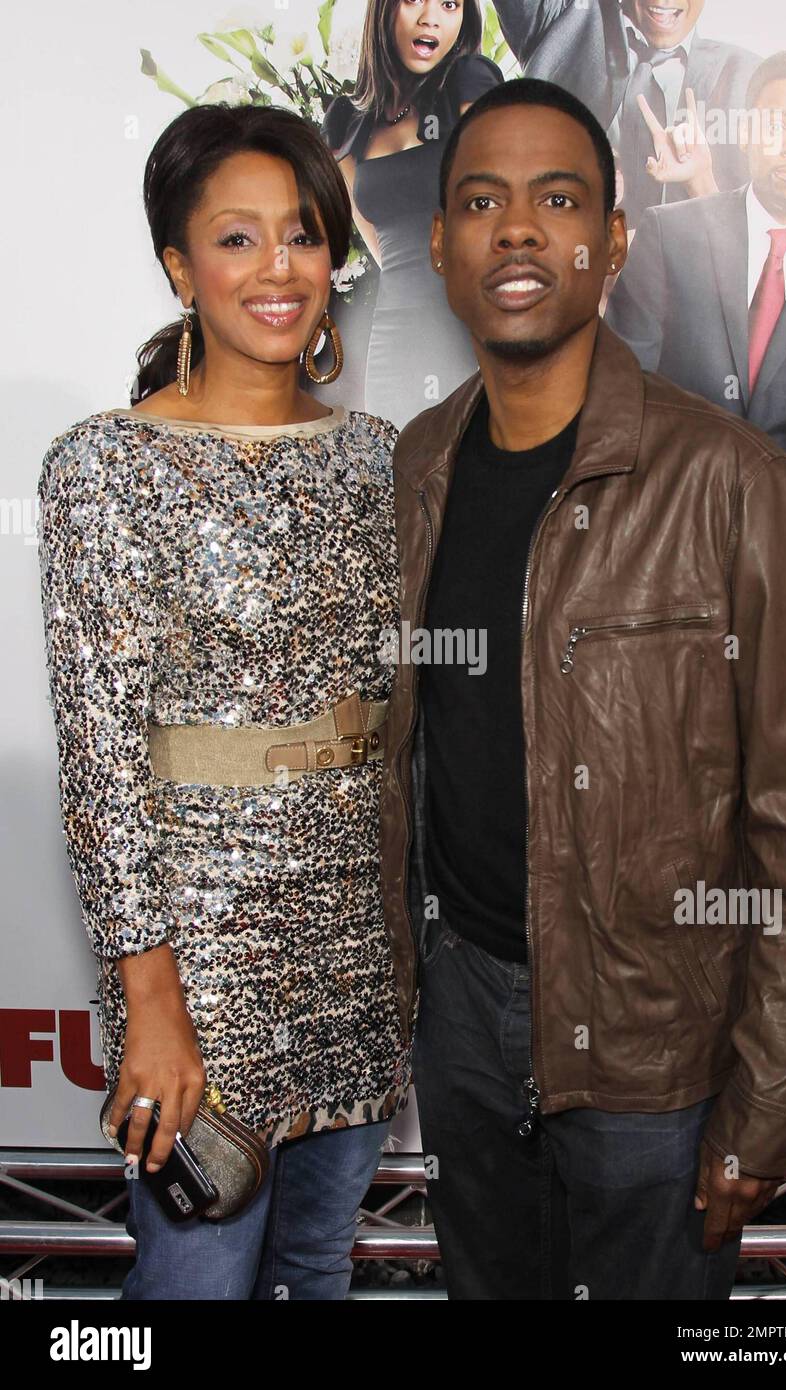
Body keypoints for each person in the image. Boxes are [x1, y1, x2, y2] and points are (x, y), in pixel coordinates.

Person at [377, 76, 786, 1300]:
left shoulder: (737, 484)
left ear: (614, 241)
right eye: (481, 202)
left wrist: (770, 1097)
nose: (520, 230)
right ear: (439, 246)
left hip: (659, 1045)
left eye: (557, 199)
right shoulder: (418, 466)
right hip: (464, 1020)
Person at [36, 103, 412, 1300]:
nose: (276, 268)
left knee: (314, 1266)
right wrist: (151, 1006)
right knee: (195, 1280)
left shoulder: (377, 457)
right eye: (236, 239)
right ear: (177, 266)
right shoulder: (104, 467)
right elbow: (100, 765)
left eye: (300, 235)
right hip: (198, 965)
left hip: (353, 947)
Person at [605, 50, 786, 806]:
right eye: (775, 123)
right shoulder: (671, 232)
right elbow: (632, 388)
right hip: (677, 496)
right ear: (744, 130)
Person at [321, 0, 503, 428]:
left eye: (450, 4)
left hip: (474, 329)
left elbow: (505, 202)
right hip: (393, 340)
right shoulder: (346, 121)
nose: (431, 18)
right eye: (414, 0)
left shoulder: (469, 80)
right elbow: (379, 245)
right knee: (401, 479)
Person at [491, 0, 758, 226]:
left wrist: (701, 184)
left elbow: (753, 249)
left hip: (679, 282)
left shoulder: (748, 78)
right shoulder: (565, 21)